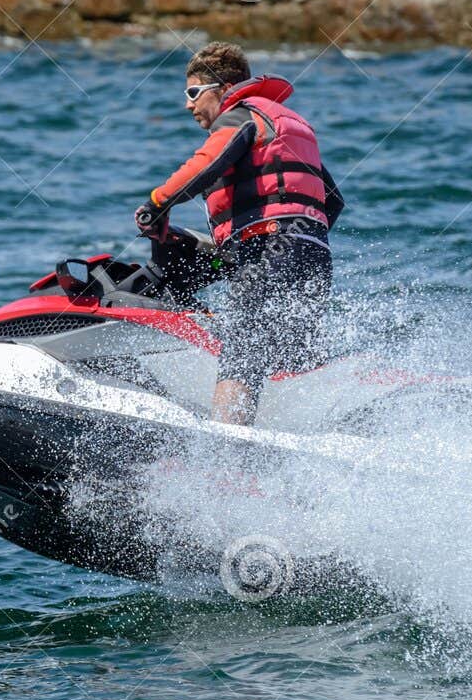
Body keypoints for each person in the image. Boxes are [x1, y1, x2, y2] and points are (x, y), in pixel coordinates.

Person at [134, 42, 343, 425]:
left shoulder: (239, 116)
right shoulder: (286, 126)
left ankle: (229, 451)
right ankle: (298, 429)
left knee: (242, 349)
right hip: (313, 256)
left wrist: (156, 203)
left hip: (269, 247)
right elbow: (333, 202)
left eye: (193, 93)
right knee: (282, 351)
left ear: (223, 88)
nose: (188, 105)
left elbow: (206, 165)